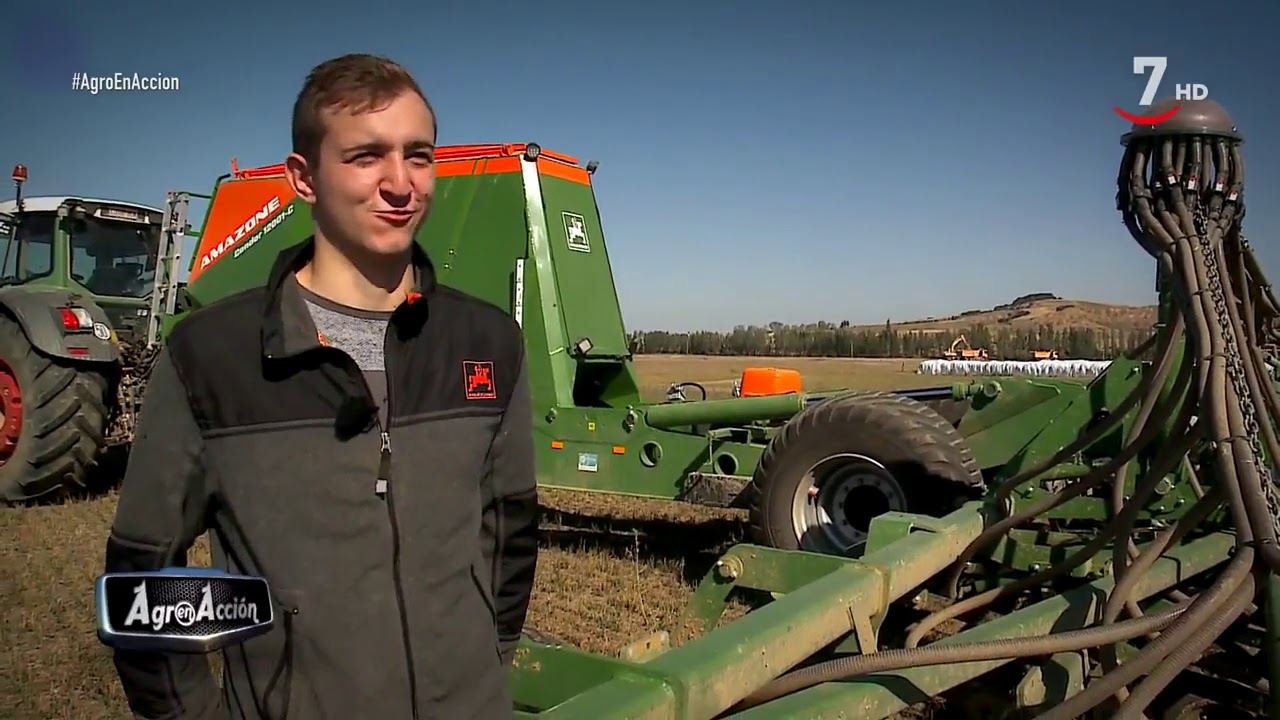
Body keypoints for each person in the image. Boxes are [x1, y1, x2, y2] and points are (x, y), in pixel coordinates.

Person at [103, 53, 539, 719]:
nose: (402, 183)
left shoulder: (488, 344)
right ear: (303, 178)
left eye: (418, 155)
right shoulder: (211, 358)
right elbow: (142, 577)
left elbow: (509, 536)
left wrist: (484, 666)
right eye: (367, 156)